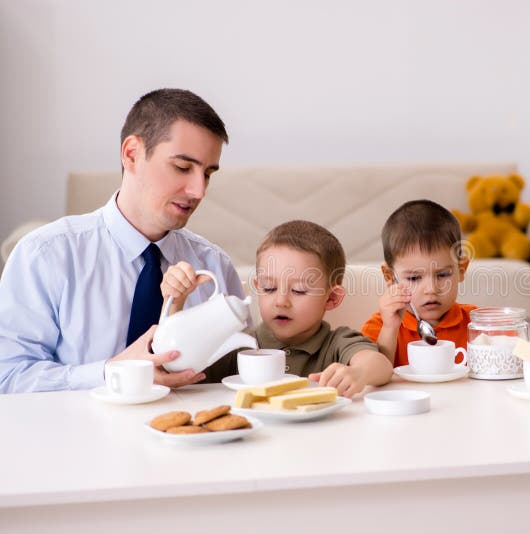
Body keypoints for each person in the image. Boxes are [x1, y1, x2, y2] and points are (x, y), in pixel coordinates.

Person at [0, 89, 244, 393]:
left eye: (207, 174)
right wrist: (110, 373)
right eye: (182, 167)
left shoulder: (215, 267)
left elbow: (238, 377)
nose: (199, 190)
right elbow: (8, 377)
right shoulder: (46, 256)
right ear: (131, 154)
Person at [168, 220, 394, 398]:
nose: (281, 301)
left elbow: (380, 365)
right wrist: (175, 303)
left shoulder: (338, 343)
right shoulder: (238, 344)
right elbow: (180, 369)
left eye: (298, 291)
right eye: (269, 288)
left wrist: (358, 373)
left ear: (332, 298)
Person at [361, 199, 476, 366]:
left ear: (461, 270)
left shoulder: (477, 324)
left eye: (442, 274)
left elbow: (515, 354)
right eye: (414, 278)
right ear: (390, 277)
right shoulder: (379, 327)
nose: (431, 289)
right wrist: (390, 329)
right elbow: (371, 373)